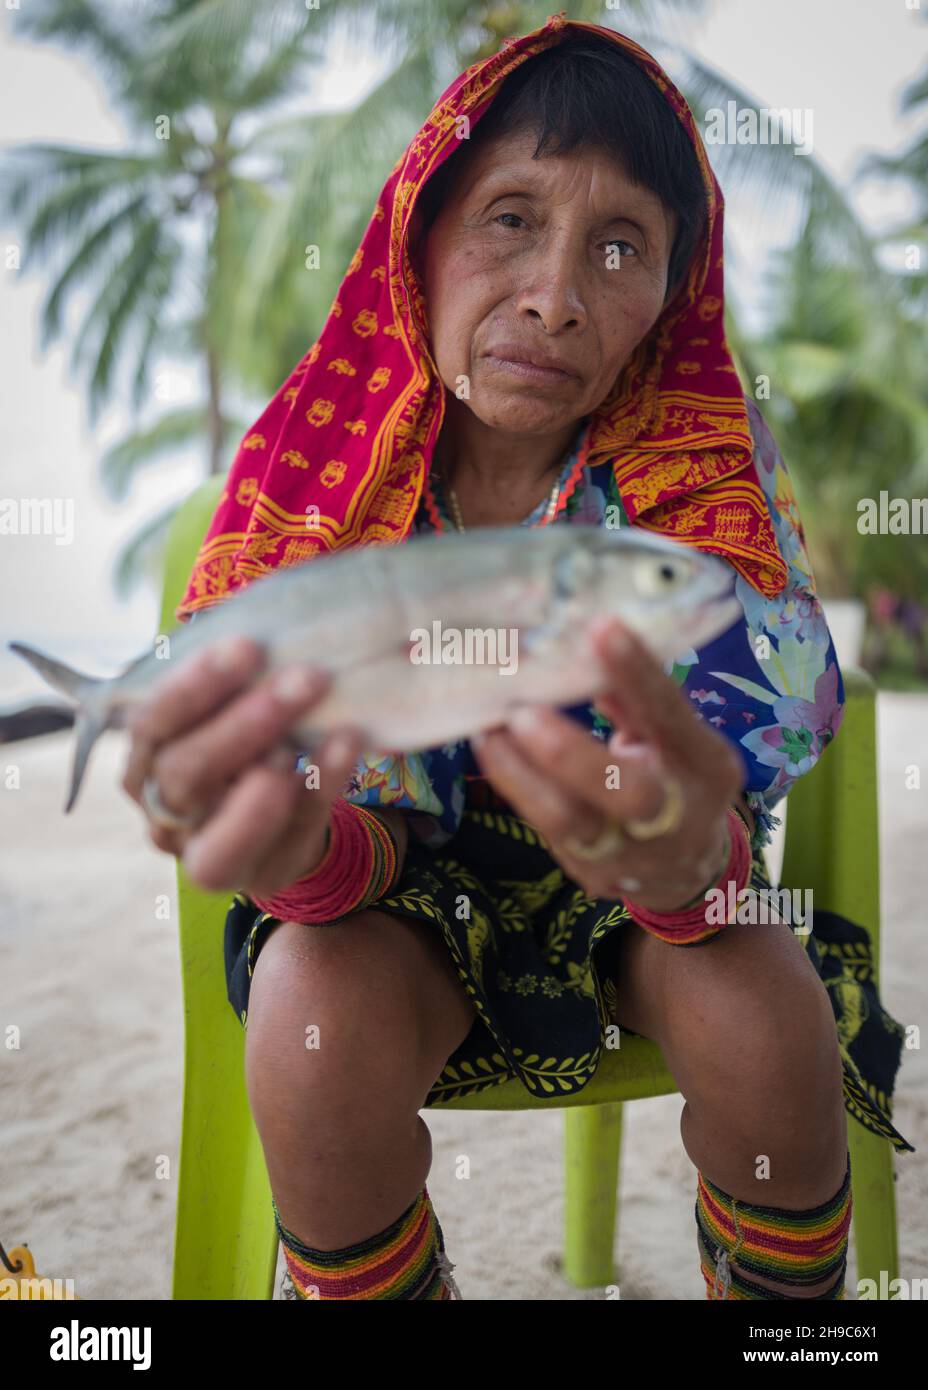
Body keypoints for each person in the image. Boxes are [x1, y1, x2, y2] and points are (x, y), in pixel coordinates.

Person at [121, 15, 912, 1300]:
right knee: (310, 1023)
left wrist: (676, 851)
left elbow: (754, 712)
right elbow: (292, 772)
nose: (555, 295)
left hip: (658, 897)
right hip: (386, 892)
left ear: (667, 297)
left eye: (620, 248)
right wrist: (294, 837)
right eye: (507, 219)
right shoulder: (318, 472)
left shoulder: (695, 475)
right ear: (417, 235)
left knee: (767, 1015)